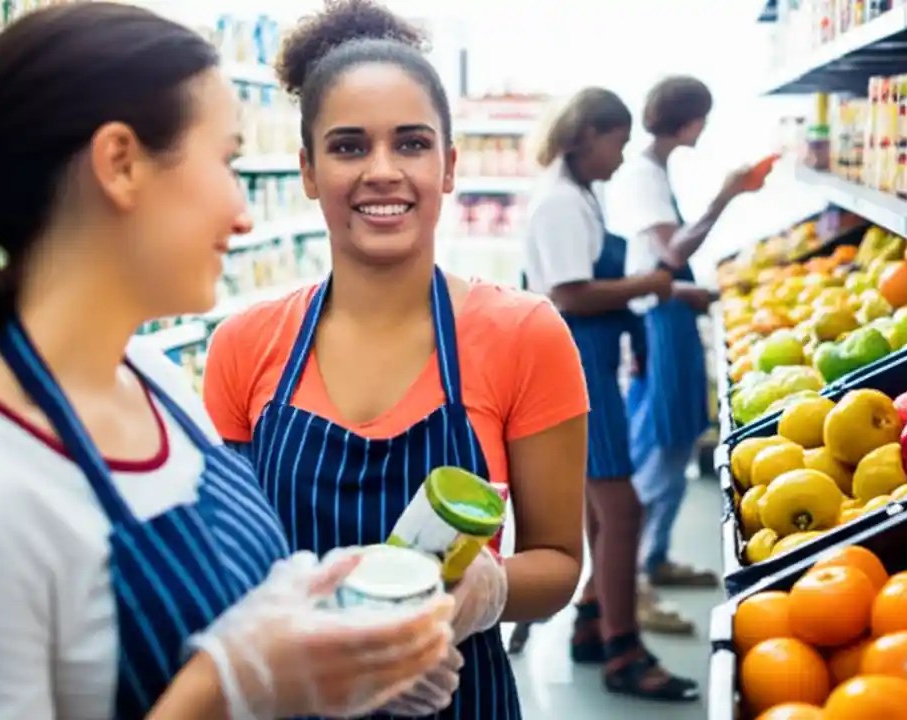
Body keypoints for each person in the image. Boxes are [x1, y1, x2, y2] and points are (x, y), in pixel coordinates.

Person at [0, 4, 457, 719]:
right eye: (227, 161)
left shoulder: (152, 378)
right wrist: (223, 690)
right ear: (121, 164)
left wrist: (341, 634)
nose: (244, 212)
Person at [201, 2, 589, 717]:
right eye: (349, 147)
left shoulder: (526, 335)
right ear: (308, 171)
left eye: (411, 144)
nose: (383, 171)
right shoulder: (244, 346)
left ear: (448, 166)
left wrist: (487, 593)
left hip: (456, 697)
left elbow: (561, 560)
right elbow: (232, 563)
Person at [520, 87, 698, 702]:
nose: (622, 158)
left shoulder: (580, 197)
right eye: (617, 143)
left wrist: (630, 318)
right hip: (572, 369)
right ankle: (626, 650)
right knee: (623, 510)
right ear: (584, 136)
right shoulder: (560, 205)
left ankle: (593, 624)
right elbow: (570, 295)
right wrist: (648, 284)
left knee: (604, 508)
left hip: (590, 364)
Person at [607, 76, 758, 595]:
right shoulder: (644, 176)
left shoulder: (652, 171)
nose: (705, 128)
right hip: (659, 321)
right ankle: (630, 578)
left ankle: (653, 557)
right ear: (689, 120)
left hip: (668, 314)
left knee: (672, 438)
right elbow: (670, 254)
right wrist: (727, 196)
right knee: (663, 443)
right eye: (704, 118)